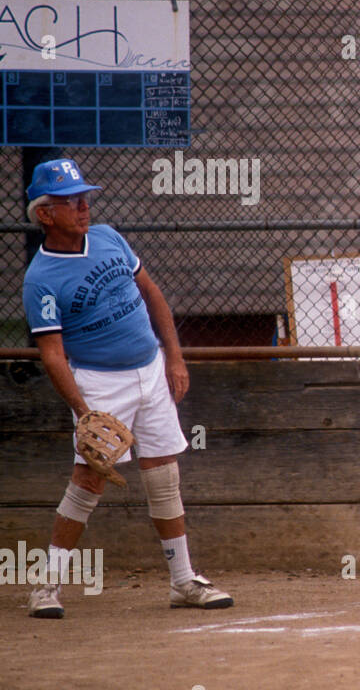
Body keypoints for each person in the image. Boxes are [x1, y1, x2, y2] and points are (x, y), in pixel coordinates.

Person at [21, 158, 233, 618]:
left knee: (163, 473)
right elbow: (53, 354)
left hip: (150, 369)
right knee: (89, 479)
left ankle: (183, 582)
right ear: (44, 214)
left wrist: (173, 356)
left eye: (84, 198)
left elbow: (152, 293)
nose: (83, 207)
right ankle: (46, 585)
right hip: (98, 381)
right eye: (70, 201)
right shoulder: (42, 278)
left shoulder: (109, 237)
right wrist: (82, 410)